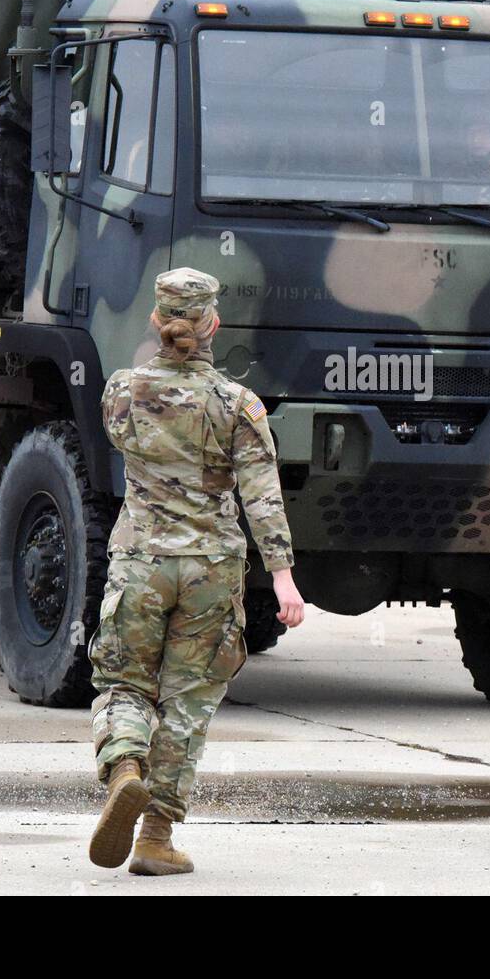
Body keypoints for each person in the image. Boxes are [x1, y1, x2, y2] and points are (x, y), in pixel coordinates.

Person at [87, 266, 306, 876]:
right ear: (214, 324)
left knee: (125, 683)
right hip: (211, 570)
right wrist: (283, 577)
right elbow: (263, 495)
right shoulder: (239, 405)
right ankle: (154, 838)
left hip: (141, 564)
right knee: (187, 704)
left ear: (156, 320)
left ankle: (125, 767)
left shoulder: (121, 391)